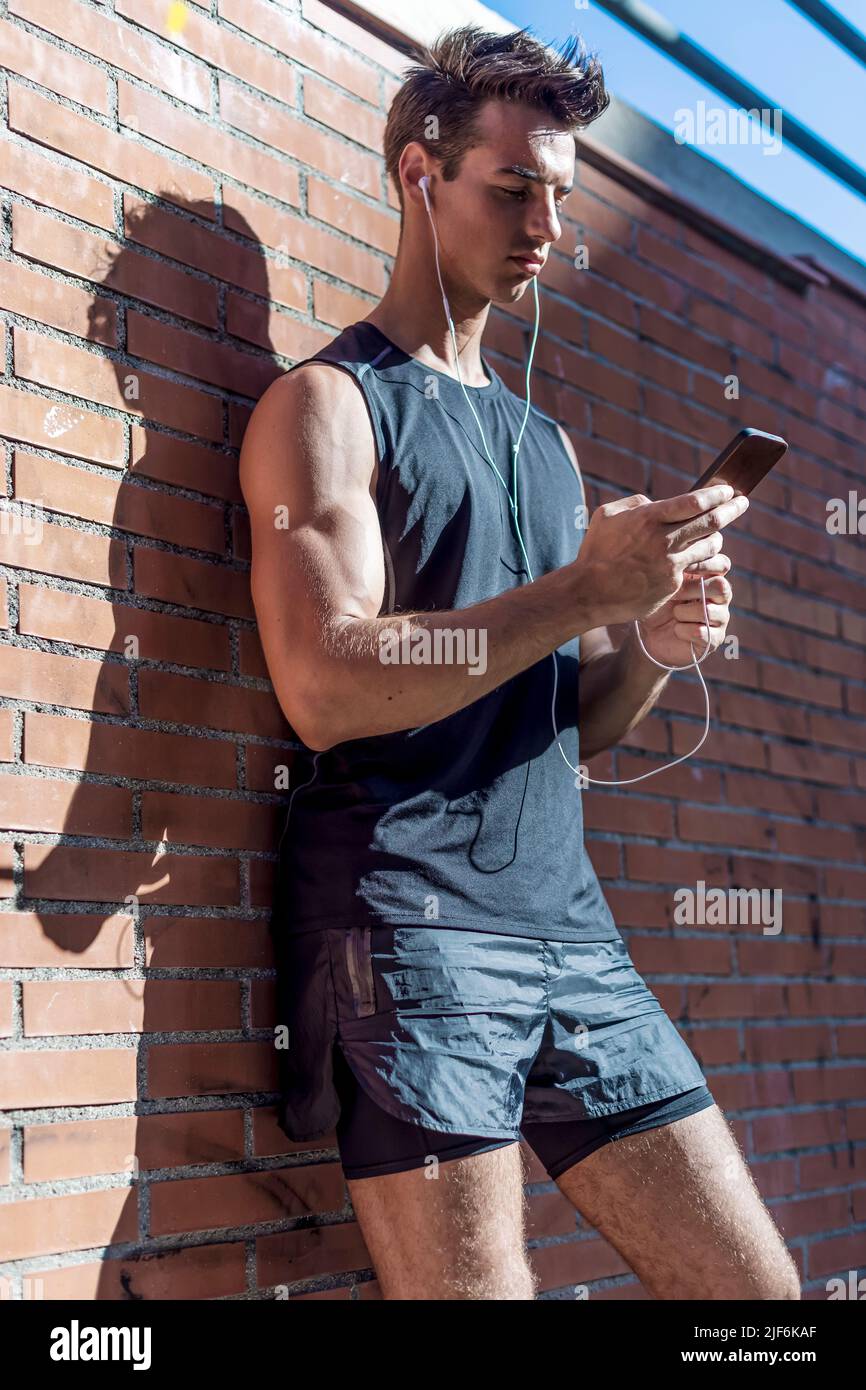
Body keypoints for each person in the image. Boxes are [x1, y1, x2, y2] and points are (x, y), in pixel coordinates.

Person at [239, 24, 800, 1301]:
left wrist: (647, 642)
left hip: (569, 931)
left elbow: (570, 722)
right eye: (511, 188)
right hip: (411, 925)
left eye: (557, 191)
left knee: (759, 1306)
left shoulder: (542, 443)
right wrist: (574, 591)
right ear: (415, 176)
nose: (544, 220)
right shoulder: (328, 404)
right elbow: (324, 685)